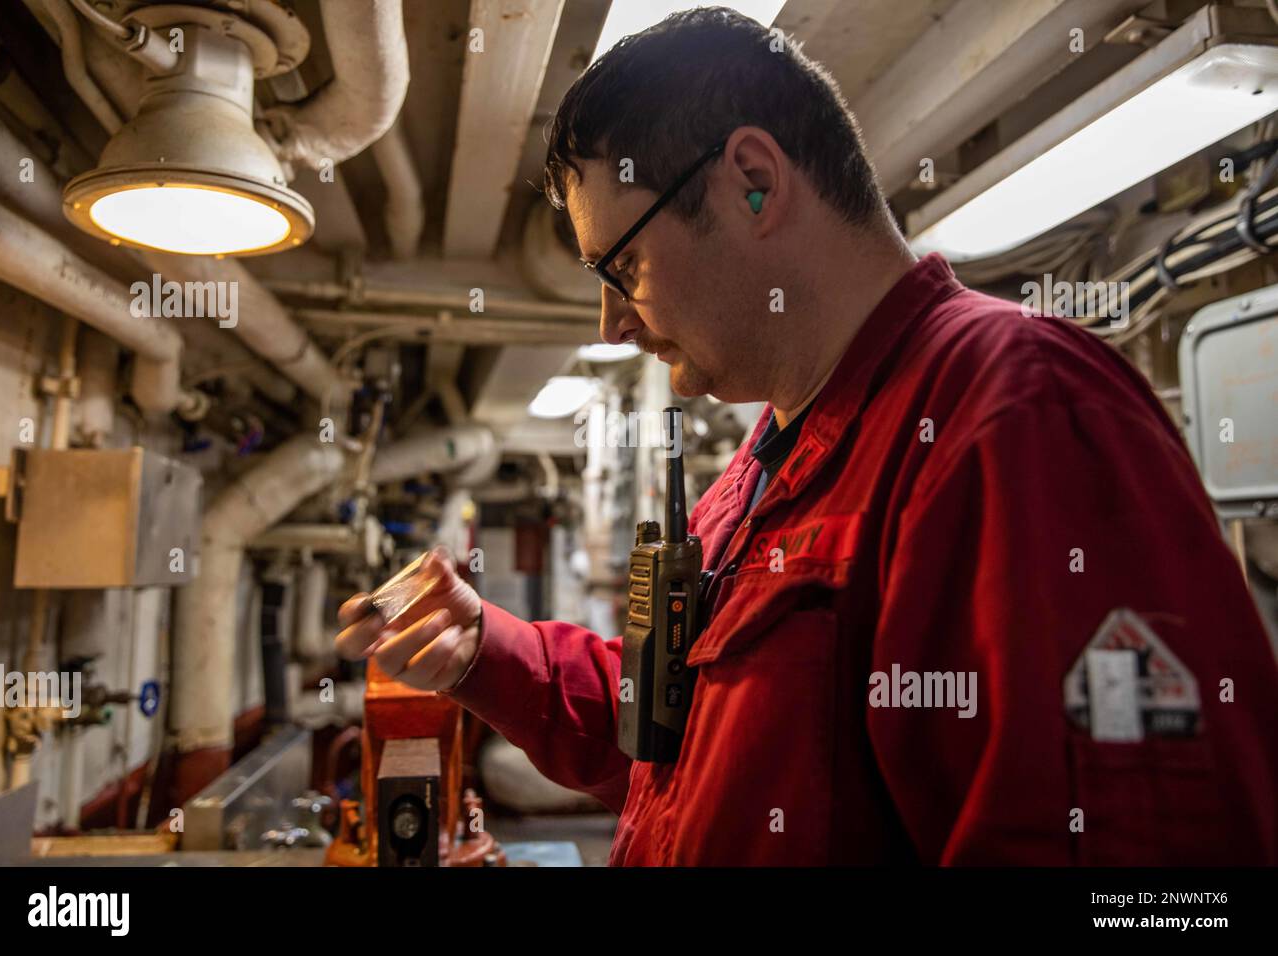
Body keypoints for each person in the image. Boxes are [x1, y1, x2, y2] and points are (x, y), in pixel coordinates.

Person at [336, 8, 1278, 865]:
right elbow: (680, 739)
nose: (611, 324)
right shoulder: (759, 470)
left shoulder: (1016, 415)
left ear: (752, 182)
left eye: (622, 264)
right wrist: (483, 650)